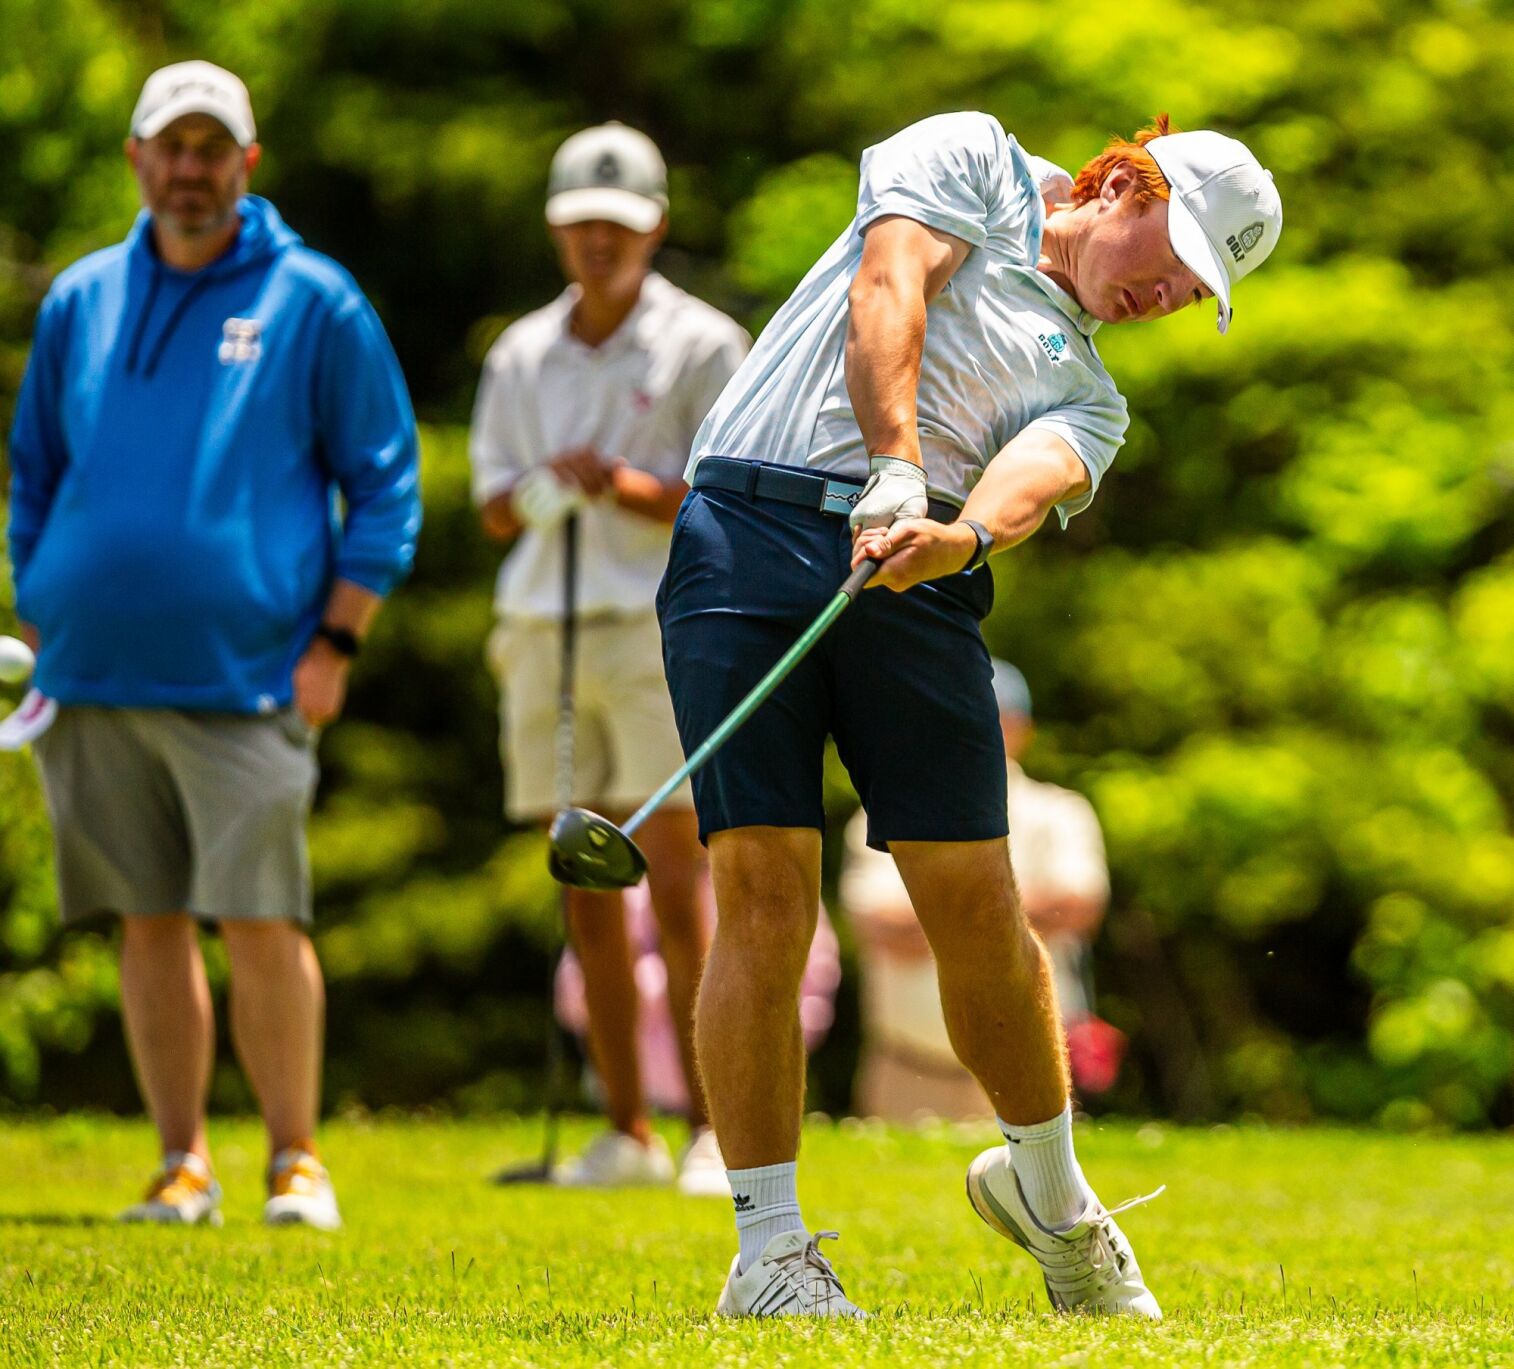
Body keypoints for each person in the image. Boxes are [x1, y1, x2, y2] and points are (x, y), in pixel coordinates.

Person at [658, 111, 1281, 1316]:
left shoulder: (1092, 397)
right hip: (744, 527)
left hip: (917, 575)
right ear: (1122, 182)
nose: (1166, 291)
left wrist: (950, 536)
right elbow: (891, 281)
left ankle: (1053, 1204)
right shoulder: (972, 160)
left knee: (976, 902)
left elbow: (1026, 481)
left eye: (1197, 287)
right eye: (1175, 253)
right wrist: (892, 459)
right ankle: (769, 1256)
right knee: (764, 886)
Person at [5, 61, 421, 1228]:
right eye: (169, 147)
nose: (188, 170)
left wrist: (336, 638)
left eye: (210, 148)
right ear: (138, 160)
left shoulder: (314, 299)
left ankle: (295, 1160)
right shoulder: (82, 296)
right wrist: (42, 594)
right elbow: (33, 471)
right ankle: (182, 1162)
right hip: (91, 671)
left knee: (260, 914)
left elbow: (384, 485)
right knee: (147, 916)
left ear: (247, 164)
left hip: (250, 673)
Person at [469, 124, 749, 1195]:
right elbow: (496, 508)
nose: (599, 243)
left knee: (678, 880)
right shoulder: (521, 352)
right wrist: (555, 482)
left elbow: (723, 493)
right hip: (545, 627)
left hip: (653, 627)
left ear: (655, 230)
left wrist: (619, 484)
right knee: (582, 885)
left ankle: (716, 1130)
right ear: (556, 230)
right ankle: (624, 1130)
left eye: (618, 227)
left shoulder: (703, 342)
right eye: (581, 225)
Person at [843, 659, 1121, 1123]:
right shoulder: (881, 814)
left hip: (1032, 1074)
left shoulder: (1061, 811)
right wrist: (1002, 918)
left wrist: (936, 917)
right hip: (905, 1075)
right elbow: (875, 922)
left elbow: (1079, 906)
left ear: (1021, 729)